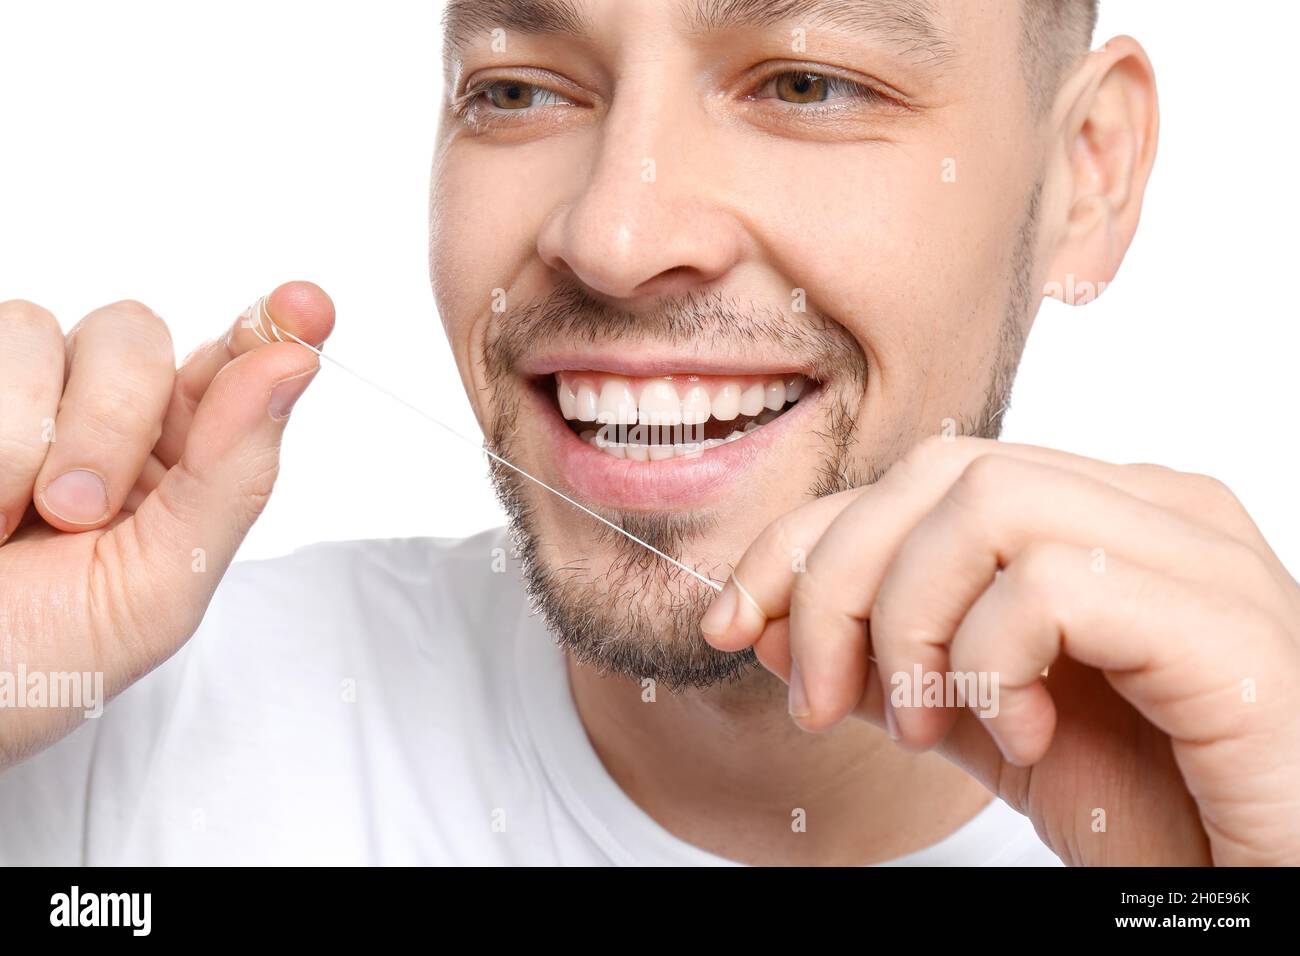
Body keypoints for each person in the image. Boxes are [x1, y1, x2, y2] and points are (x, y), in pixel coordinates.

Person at [1, 0, 1297, 866]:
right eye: (516, 91)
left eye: (808, 81)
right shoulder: (118, 744)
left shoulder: (1250, 796)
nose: (615, 239)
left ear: (1087, 171)